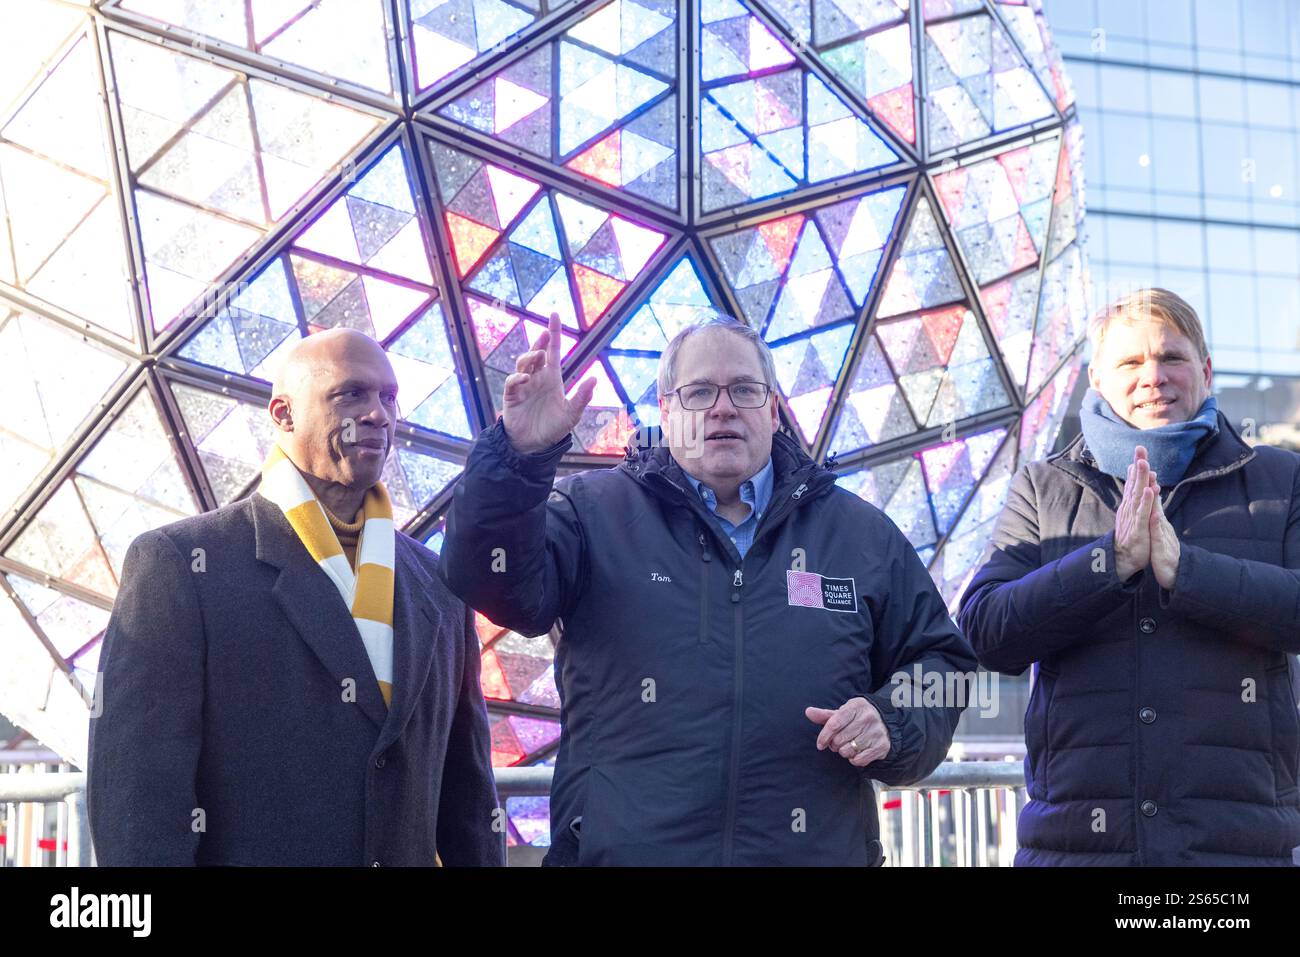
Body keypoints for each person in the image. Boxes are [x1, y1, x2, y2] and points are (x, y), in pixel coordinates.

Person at [439, 312, 977, 865]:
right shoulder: (591, 515)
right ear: (667, 412)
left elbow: (945, 665)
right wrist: (517, 457)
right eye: (699, 392)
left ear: (772, 410)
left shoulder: (861, 536)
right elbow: (488, 580)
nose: (723, 408)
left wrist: (892, 717)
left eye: (744, 389)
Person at [88, 329, 502, 866]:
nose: (378, 414)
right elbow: (137, 803)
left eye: (388, 397)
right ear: (282, 414)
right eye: (351, 394)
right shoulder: (182, 566)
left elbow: (469, 799)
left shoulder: (440, 585)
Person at [959, 288, 1300, 866]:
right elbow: (988, 631)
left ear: (1205, 370)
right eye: (1130, 362)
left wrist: (1187, 572)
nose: (1153, 377)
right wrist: (1107, 564)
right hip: (1077, 847)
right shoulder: (1043, 487)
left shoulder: (1279, 477)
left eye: (1172, 358)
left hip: (1236, 851)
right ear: (1097, 377)